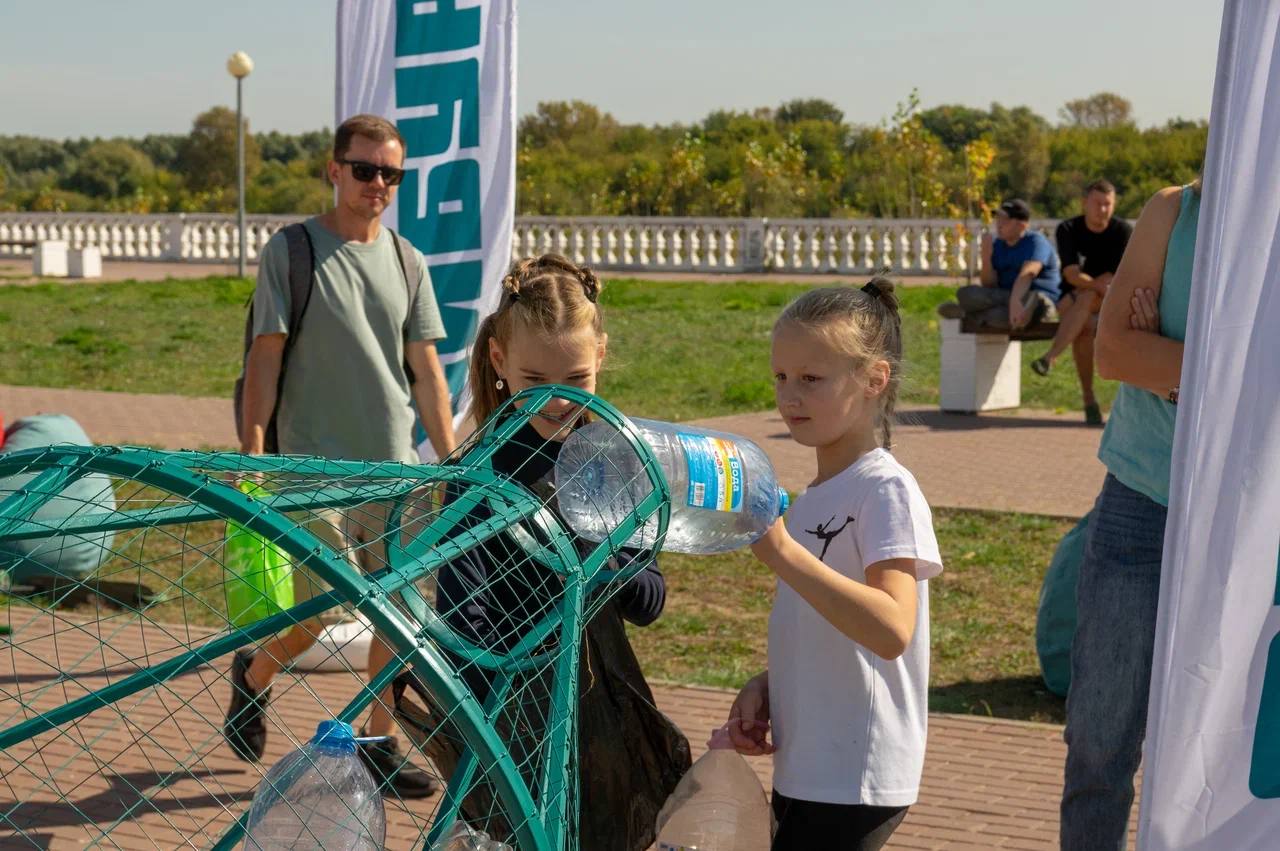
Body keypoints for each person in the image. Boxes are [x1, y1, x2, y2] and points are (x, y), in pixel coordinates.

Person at [224, 114, 457, 798]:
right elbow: (264, 356)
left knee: (400, 613)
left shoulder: (409, 261)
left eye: (391, 174)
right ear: (334, 169)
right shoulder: (292, 251)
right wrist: (254, 452)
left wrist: (453, 461)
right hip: (310, 469)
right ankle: (254, 672)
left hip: (396, 470)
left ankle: (379, 743)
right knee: (319, 611)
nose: (377, 184)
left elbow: (429, 375)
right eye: (364, 169)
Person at [432, 254, 689, 849]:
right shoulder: (479, 472)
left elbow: (649, 599)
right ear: (499, 363)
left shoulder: (618, 459)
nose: (558, 402)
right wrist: (503, 729)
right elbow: (464, 625)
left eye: (577, 381)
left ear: (600, 356)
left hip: (600, 714)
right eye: (535, 382)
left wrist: (591, 557)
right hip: (511, 725)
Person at [727, 279, 943, 851]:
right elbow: (829, 622)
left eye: (811, 379)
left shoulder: (884, 489)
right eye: (780, 377)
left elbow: (892, 628)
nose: (789, 396)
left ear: (874, 380)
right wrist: (771, 684)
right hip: (811, 763)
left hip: (856, 773)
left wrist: (783, 554)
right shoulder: (818, 493)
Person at [1059, 179, 1201, 850]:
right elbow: (1114, 351)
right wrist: (1219, 376)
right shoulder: (1176, 211)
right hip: (1141, 506)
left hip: (1253, 526)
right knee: (1099, 741)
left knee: (1222, 744)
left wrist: (1170, 365)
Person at [1031, 180, 1134, 426]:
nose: (1103, 209)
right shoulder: (1068, 229)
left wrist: (1094, 287)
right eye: (1098, 203)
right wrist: (1094, 285)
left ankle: (1054, 360)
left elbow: (1117, 275)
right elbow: (1071, 274)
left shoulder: (1122, 231)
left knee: (1086, 304)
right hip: (1070, 299)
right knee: (1085, 325)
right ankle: (1088, 399)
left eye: (1108, 204)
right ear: (1084, 203)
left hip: (1106, 300)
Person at [938, 199, 1062, 330]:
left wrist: (1015, 301)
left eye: (1005, 220)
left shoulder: (1036, 241)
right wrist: (986, 257)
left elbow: (1028, 274)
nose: (999, 224)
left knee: (1010, 310)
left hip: (1037, 299)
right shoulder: (998, 245)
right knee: (965, 294)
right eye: (998, 219)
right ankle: (971, 314)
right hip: (1009, 302)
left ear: (1022, 225)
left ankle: (968, 315)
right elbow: (989, 284)